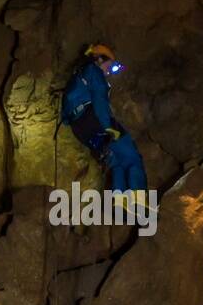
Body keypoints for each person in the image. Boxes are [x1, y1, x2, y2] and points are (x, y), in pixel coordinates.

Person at [60, 44, 149, 208]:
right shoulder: (93, 71)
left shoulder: (78, 77)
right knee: (131, 156)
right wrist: (108, 127)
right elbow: (100, 100)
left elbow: (65, 117)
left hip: (80, 129)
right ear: (99, 59)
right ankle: (140, 200)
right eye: (110, 64)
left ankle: (119, 202)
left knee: (115, 161)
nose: (110, 70)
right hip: (94, 120)